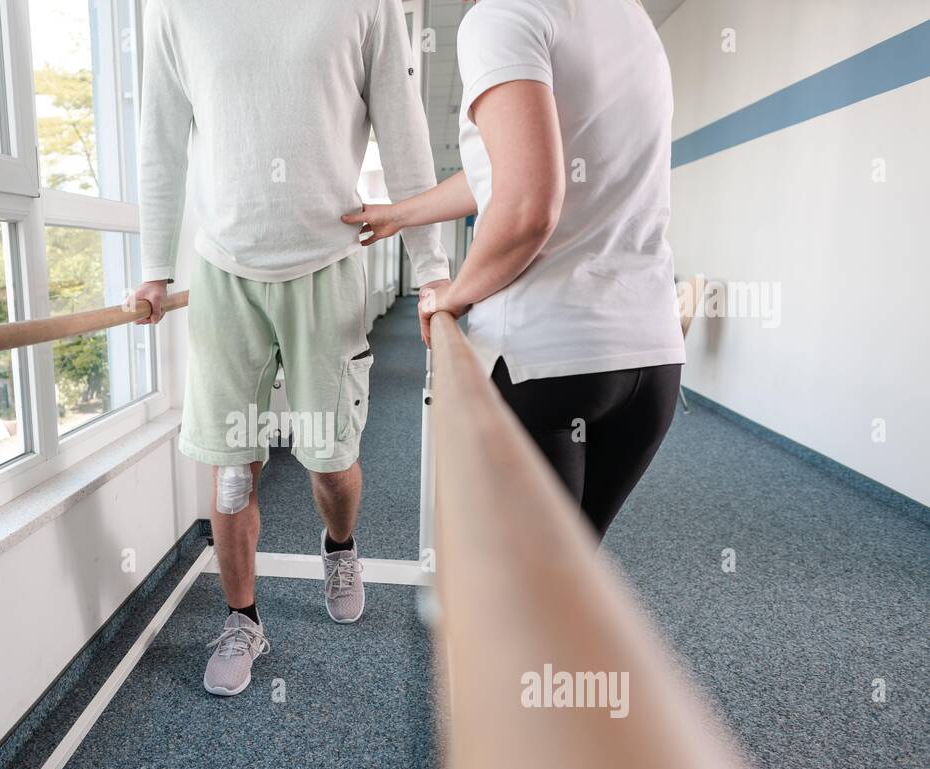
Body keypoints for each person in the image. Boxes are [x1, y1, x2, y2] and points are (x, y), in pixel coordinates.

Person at [133, 0, 451, 696]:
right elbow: (159, 136)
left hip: (327, 263)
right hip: (224, 271)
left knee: (331, 463)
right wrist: (156, 266)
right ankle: (243, 618)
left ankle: (339, 548)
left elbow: (403, 131)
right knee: (231, 471)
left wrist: (432, 272)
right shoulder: (175, 11)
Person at [345, 0, 686, 538]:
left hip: (546, 360)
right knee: (562, 581)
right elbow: (508, 171)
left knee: (525, 596)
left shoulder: (504, 16)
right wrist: (400, 214)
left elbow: (527, 207)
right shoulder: (630, 18)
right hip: (650, 362)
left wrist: (454, 294)